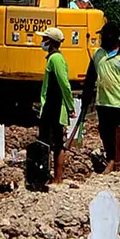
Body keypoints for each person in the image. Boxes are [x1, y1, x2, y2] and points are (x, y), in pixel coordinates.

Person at [79, 21, 120, 169]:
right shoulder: (98, 54)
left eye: (103, 36)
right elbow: (90, 80)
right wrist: (85, 100)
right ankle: (111, 159)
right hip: (103, 103)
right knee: (105, 134)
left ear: (111, 37)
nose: (101, 39)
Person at [38, 26, 74, 176]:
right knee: (46, 141)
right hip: (50, 106)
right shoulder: (52, 58)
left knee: (57, 143)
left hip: (56, 107)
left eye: (44, 39)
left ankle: (58, 177)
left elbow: (64, 84)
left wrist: (70, 106)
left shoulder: (56, 59)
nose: (42, 42)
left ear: (51, 42)